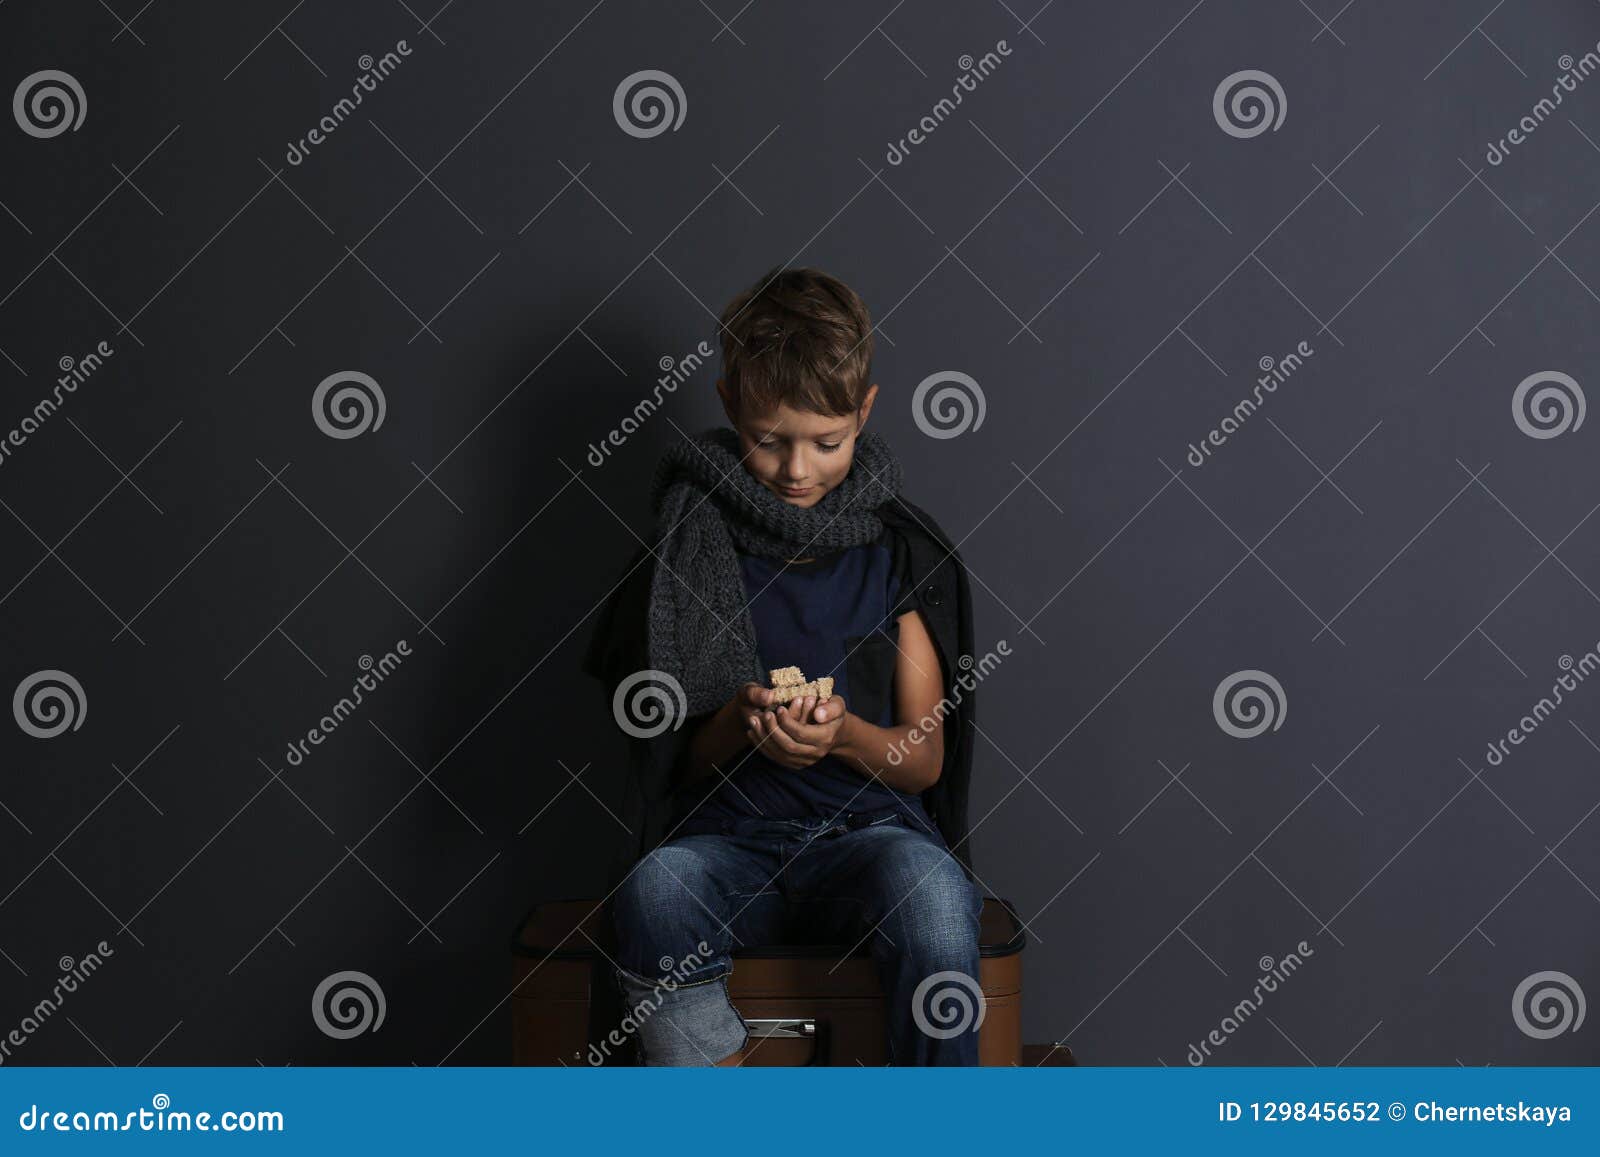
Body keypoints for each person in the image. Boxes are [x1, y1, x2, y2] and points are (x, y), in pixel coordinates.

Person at [586, 266, 984, 1065]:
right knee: (656, 890)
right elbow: (669, 763)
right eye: (770, 440)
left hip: (870, 840)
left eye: (826, 443)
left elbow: (925, 759)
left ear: (863, 411)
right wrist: (740, 722)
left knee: (938, 902)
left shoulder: (898, 556)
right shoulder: (687, 550)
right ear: (730, 403)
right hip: (728, 843)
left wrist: (843, 736)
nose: (797, 470)